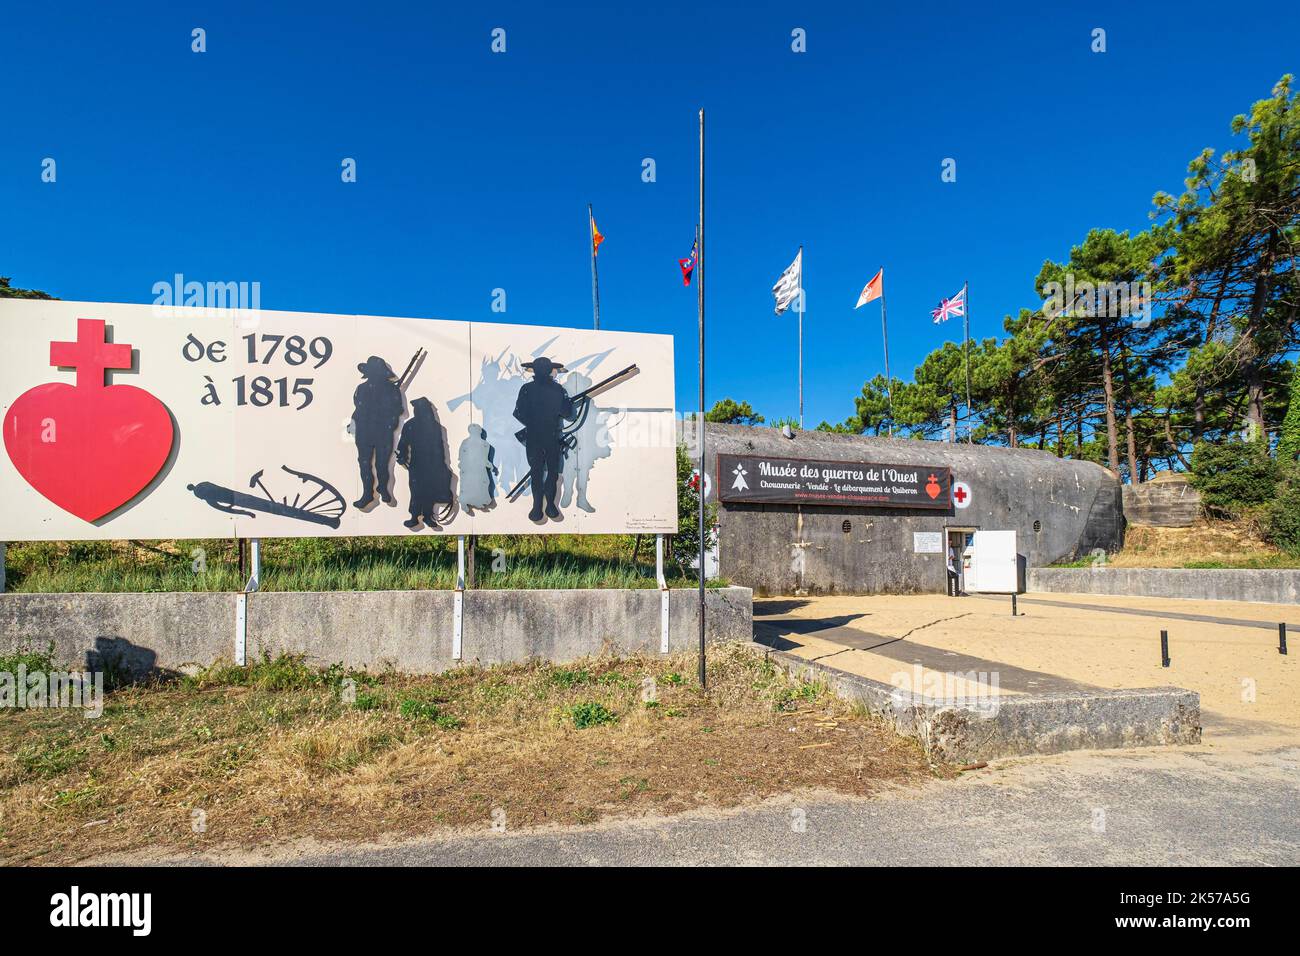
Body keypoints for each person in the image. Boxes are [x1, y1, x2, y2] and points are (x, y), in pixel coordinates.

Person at [512, 356, 576, 522]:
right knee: (552, 472)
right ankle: (548, 506)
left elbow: (518, 413)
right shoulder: (558, 389)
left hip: (534, 436)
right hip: (551, 435)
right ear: (549, 371)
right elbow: (568, 413)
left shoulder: (527, 388)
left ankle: (537, 507)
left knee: (537, 472)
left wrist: (533, 422)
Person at [351, 355, 404, 508]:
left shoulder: (392, 390)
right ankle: (367, 493)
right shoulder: (361, 389)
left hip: (383, 432)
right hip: (364, 432)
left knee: (382, 463)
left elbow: (398, 410)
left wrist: (388, 418)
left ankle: (383, 488)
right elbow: (358, 408)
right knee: (364, 463)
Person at [395, 397, 454, 529]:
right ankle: (415, 516)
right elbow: (403, 443)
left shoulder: (435, 426)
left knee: (429, 490)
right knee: (416, 490)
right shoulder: (411, 425)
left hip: (433, 463)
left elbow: (440, 446)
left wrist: (442, 464)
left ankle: (427, 516)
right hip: (417, 462)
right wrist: (402, 456)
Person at [457, 423, 497, 515]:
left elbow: (484, 458)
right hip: (470, 470)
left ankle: (479, 502)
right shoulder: (468, 443)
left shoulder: (484, 444)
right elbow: (461, 456)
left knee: (481, 485)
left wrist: (489, 465)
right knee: (469, 486)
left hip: (477, 470)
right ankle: (464, 502)